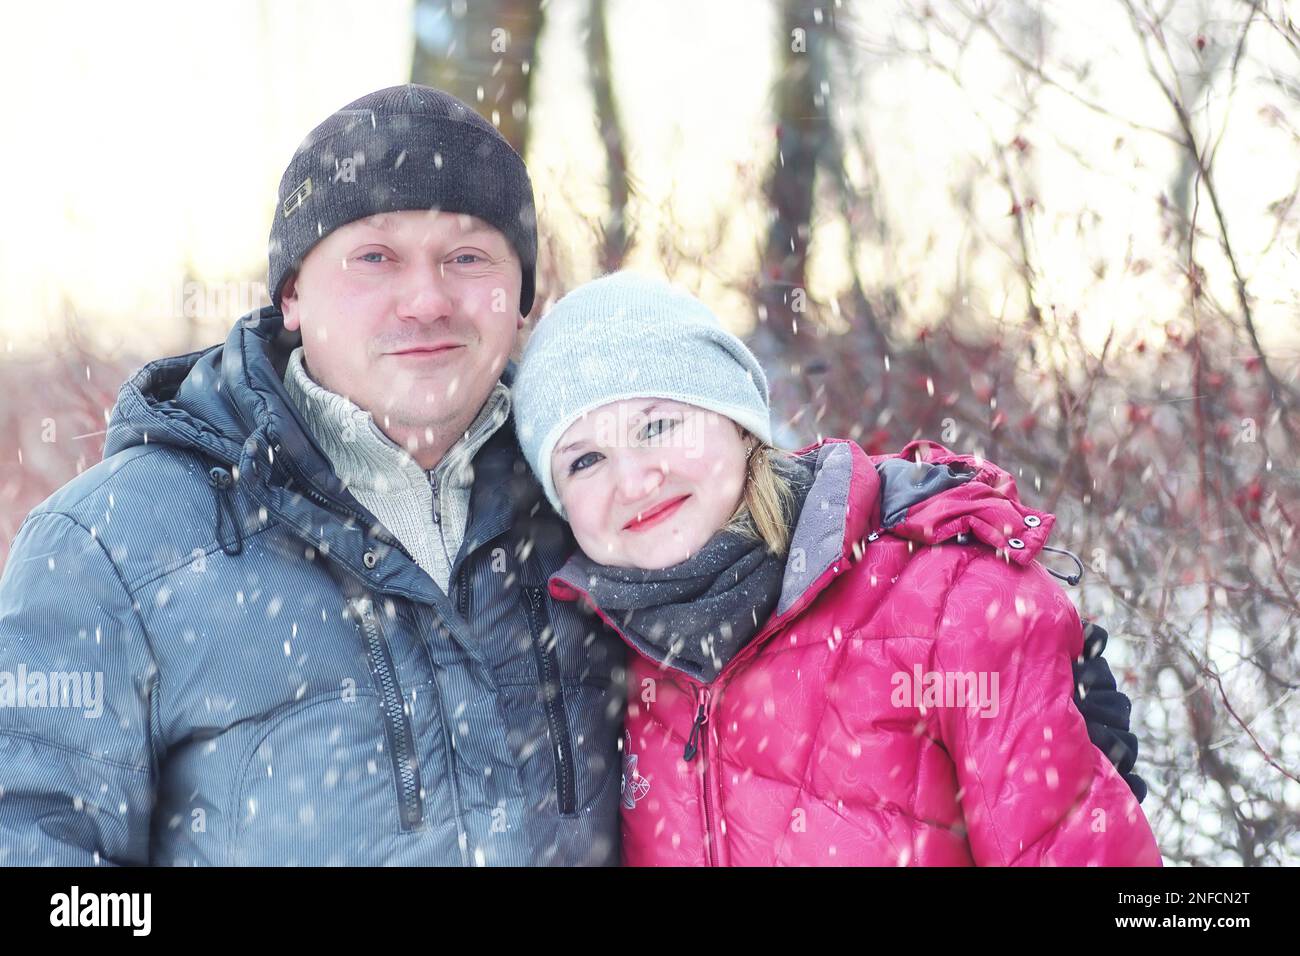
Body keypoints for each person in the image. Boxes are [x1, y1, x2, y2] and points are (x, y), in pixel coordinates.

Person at [0, 84, 1139, 867]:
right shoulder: (115, 549)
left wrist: (996, 612)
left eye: (466, 257)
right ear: (291, 294)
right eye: (374, 258)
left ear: (521, 298)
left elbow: (792, 534)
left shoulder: (584, 504)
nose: (426, 298)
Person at [511, 272, 1161, 865]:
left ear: (738, 425)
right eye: (583, 460)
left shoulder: (955, 607)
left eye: (657, 426)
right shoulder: (593, 663)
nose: (633, 479)